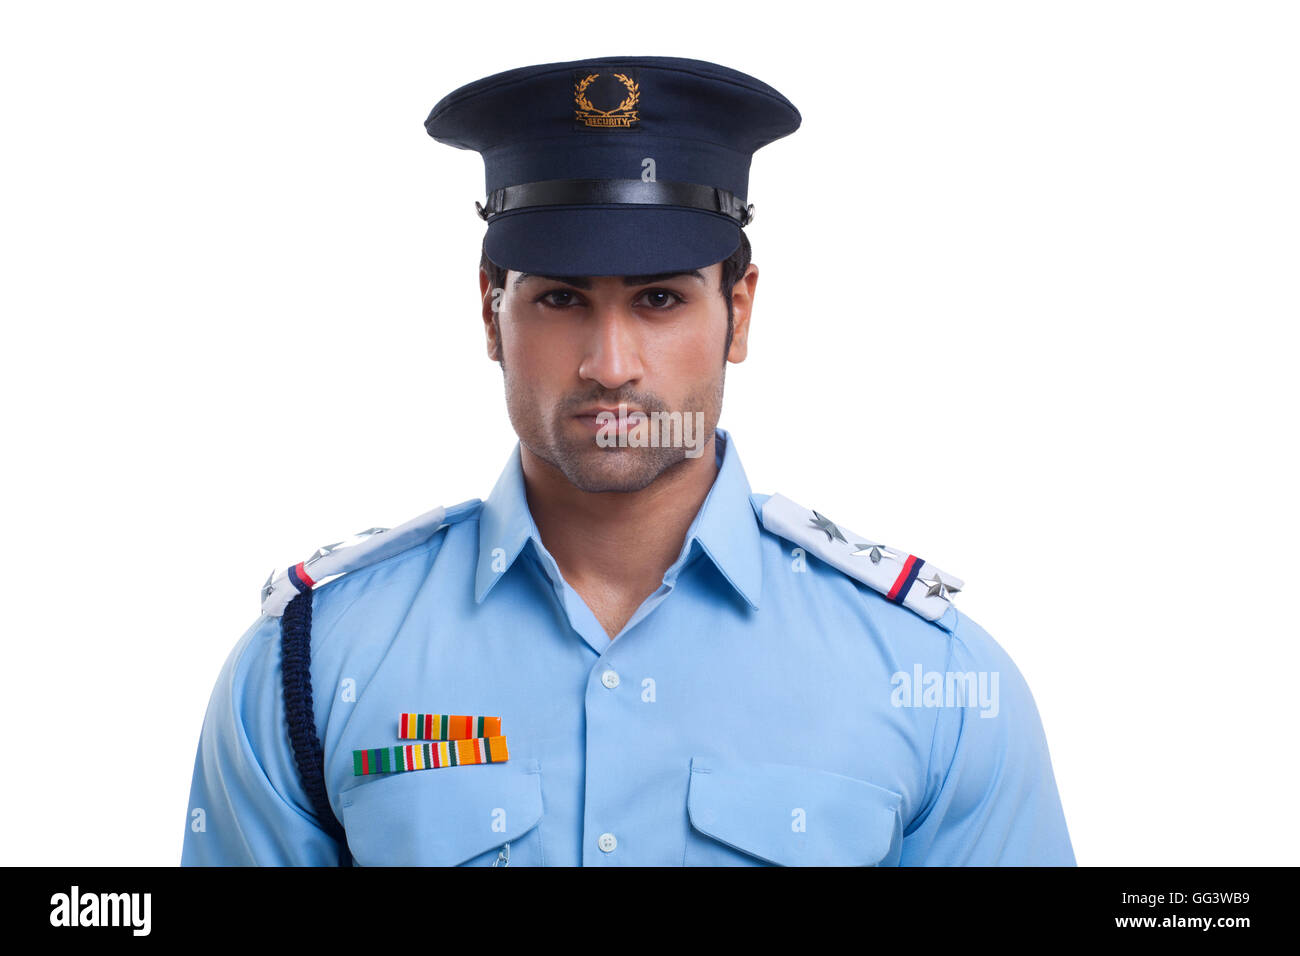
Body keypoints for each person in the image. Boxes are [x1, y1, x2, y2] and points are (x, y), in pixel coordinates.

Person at [181, 55, 1075, 866]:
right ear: (490, 311)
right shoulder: (308, 660)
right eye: (561, 298)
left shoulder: (934, 678)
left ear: (742, 311)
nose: (610, 364)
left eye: (658, 298)